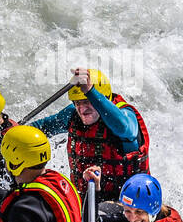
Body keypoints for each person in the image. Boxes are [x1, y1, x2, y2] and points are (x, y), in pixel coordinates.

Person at [30, 67, 149, 202]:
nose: (82, 109)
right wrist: (13, 132)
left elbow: (124, 128)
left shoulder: (125, 115)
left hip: (128, 204)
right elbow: (41, 127)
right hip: (86, 200)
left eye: (87, 101)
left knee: (100, 216)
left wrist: (90, 92)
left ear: (102, 99)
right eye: (77, 103)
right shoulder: (72, 114)